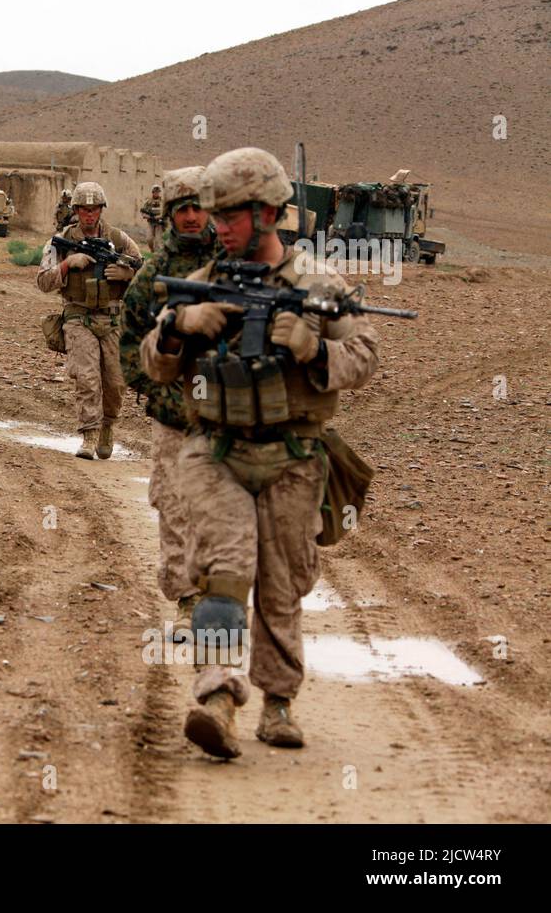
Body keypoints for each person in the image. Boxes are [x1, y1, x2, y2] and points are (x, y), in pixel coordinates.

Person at [139, 147, 380, 758]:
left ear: (269, 212)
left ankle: (278, 704)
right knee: (223, 572)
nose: (218, 226)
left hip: (295, 458)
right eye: (213, 215)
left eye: (232, 215)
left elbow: (367, 356)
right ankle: (217, 697)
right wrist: (175, 330)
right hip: (214, 452)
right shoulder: (198, 286)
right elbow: (154, 365)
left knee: (281, 587)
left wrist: (314, 349)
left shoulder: (319, 285)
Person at [119, 166, 217, 635]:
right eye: (184, 210)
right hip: (175, 414)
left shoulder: (233, 261)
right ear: (172, 215)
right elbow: (129, 337)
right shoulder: (154, 273)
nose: (193, 217)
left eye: (200, 207)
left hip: (227, 412)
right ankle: (185, 599)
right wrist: (153, 387)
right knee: (175, 505)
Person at [36, 181, 143, 459]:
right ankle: (89, 435)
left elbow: (144, 271)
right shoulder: (62, 240)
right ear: (76, 210)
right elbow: (43, 281)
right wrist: (67, 264)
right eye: (84, 209)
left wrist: (127, 276)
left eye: (94, 209)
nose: (89, 215)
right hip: (78, 317)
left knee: (116, 382)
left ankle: (108, 426)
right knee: (86, 378)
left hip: (112, 319)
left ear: (101, 210)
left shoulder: (119, 240)